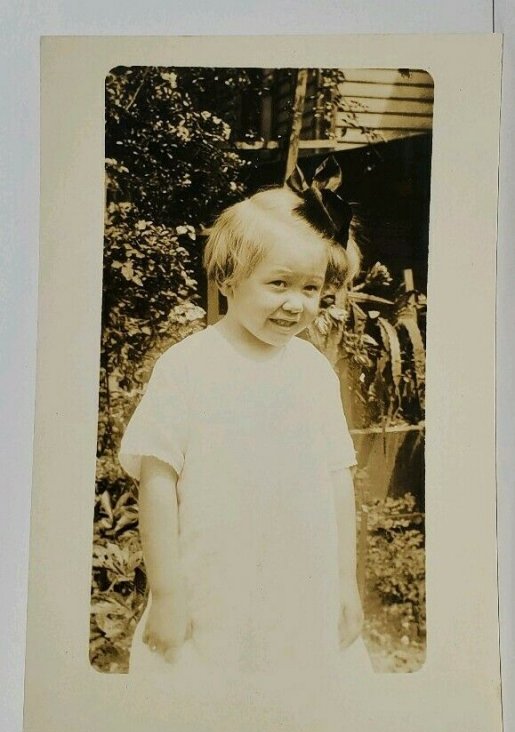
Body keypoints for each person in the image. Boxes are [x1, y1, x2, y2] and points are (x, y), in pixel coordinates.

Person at [119, 158, 372, 687]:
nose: (295, 304)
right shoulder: (189, 368)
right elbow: (157, 481)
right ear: (230, 279)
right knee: (207, 704)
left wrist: (345, 582)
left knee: (299, 707)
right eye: (278, 283)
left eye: (310, 289)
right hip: (214, 585)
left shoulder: (312, 372)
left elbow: (336, 479)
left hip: (299, 587)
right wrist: (167, 592)